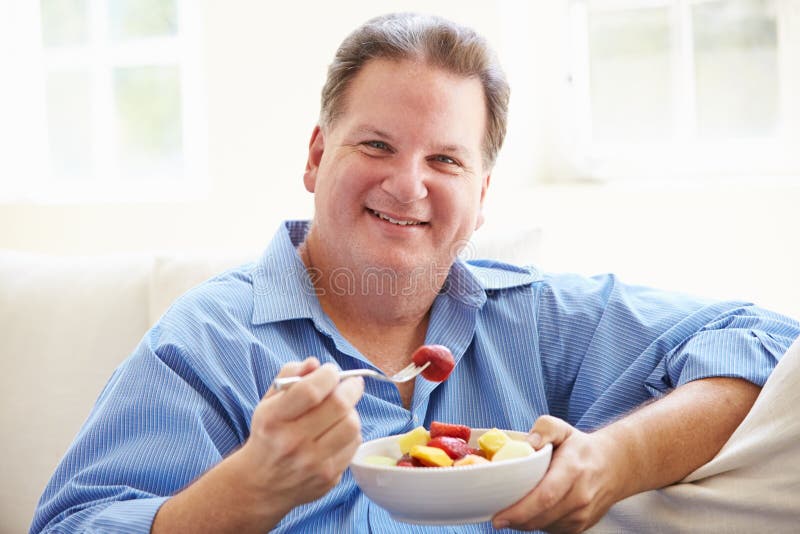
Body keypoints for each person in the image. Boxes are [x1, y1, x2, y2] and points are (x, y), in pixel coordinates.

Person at [31, 12, 800, 534]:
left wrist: (613, 459)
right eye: (375, 146)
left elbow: (763, 341)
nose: (408, 185)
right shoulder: (205, 342)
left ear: (481, 196)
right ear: (313, 157)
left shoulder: (536, 321)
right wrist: (246, 491)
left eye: (444, 160)